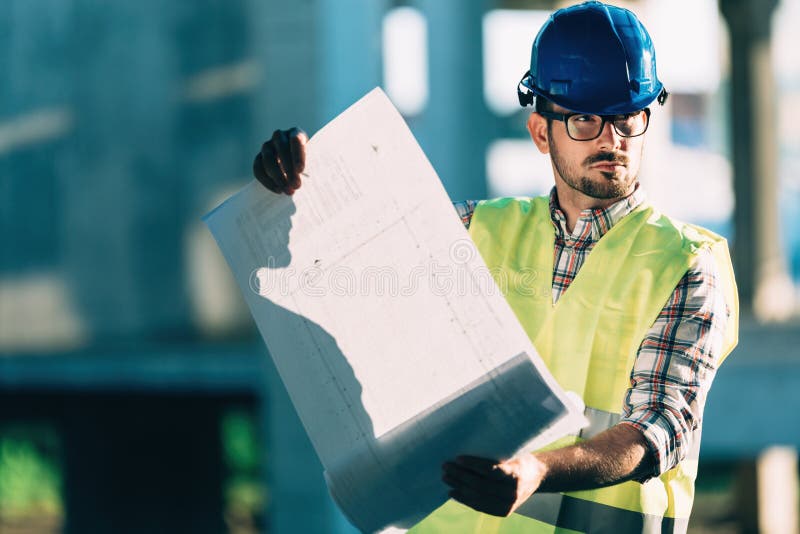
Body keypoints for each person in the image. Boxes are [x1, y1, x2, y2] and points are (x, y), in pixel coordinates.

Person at [251, 1, 738, 532]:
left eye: (626, 117)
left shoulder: (687, 264)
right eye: (583, 120)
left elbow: (659, 427)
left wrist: (537, 471)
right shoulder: (474, 232)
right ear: (540, 131)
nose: (610, 140)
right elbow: (355, 242)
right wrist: (296, 180)